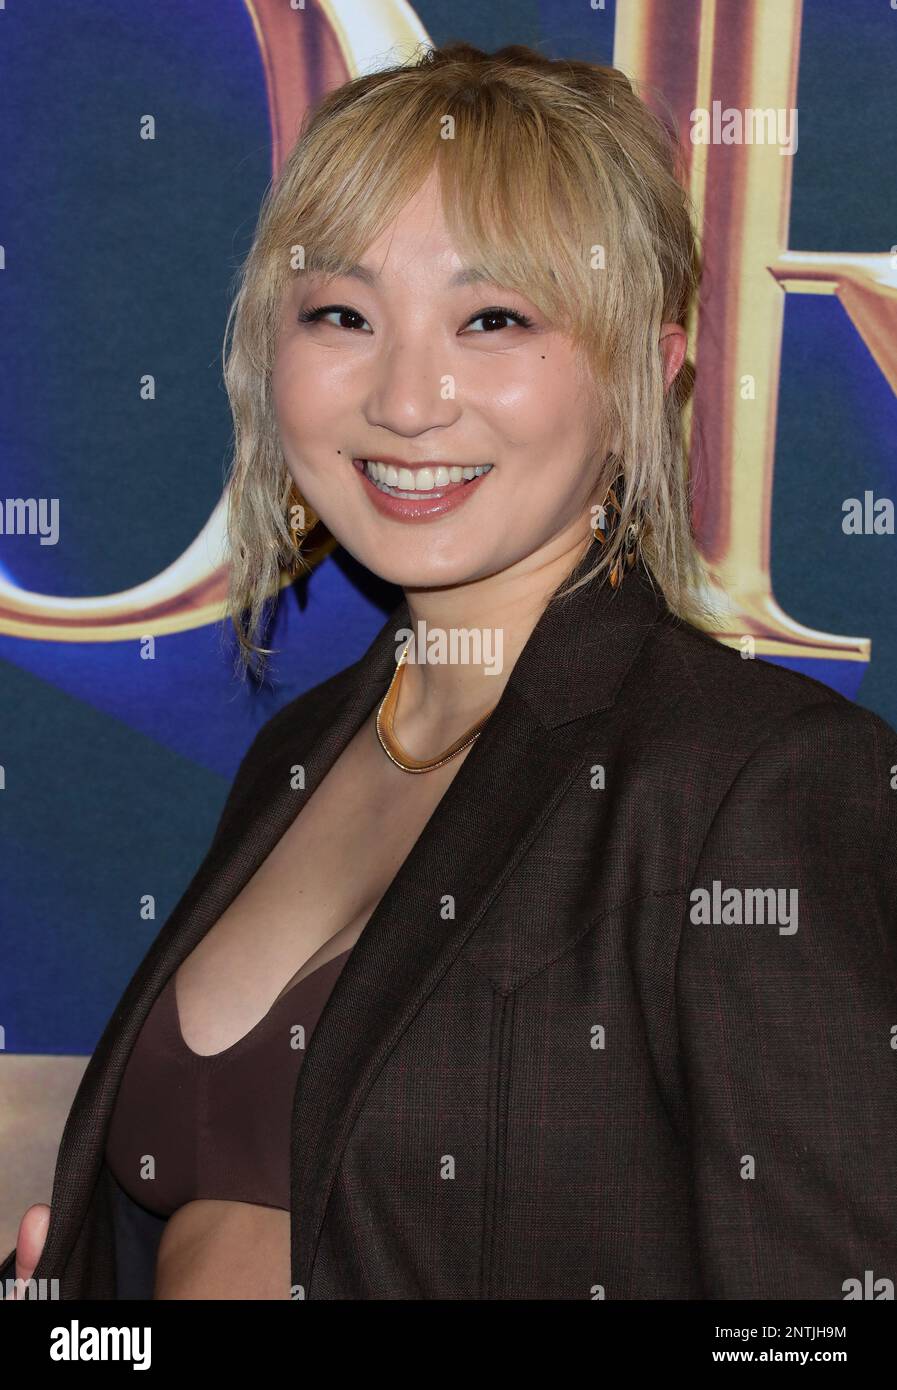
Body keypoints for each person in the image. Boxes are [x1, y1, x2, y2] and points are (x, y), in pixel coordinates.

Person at [5, 42, 896, 1301]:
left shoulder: (753, 780)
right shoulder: (303, 747)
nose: (408, 399)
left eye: (494, 320)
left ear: (654, 362)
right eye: (343, 317)